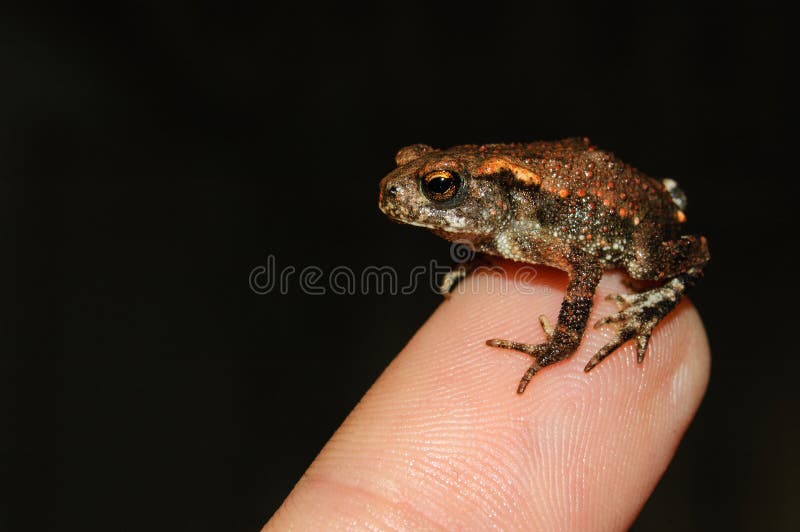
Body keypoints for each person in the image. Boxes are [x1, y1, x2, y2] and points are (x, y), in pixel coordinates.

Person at [264, 262, 709, 530]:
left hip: (620, 213)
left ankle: (655, 304)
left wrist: (564, 341)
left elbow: (587, 264)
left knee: (648, 265)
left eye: (439, 187)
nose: (398, 192)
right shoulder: (503, 221)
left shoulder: (533, 216)